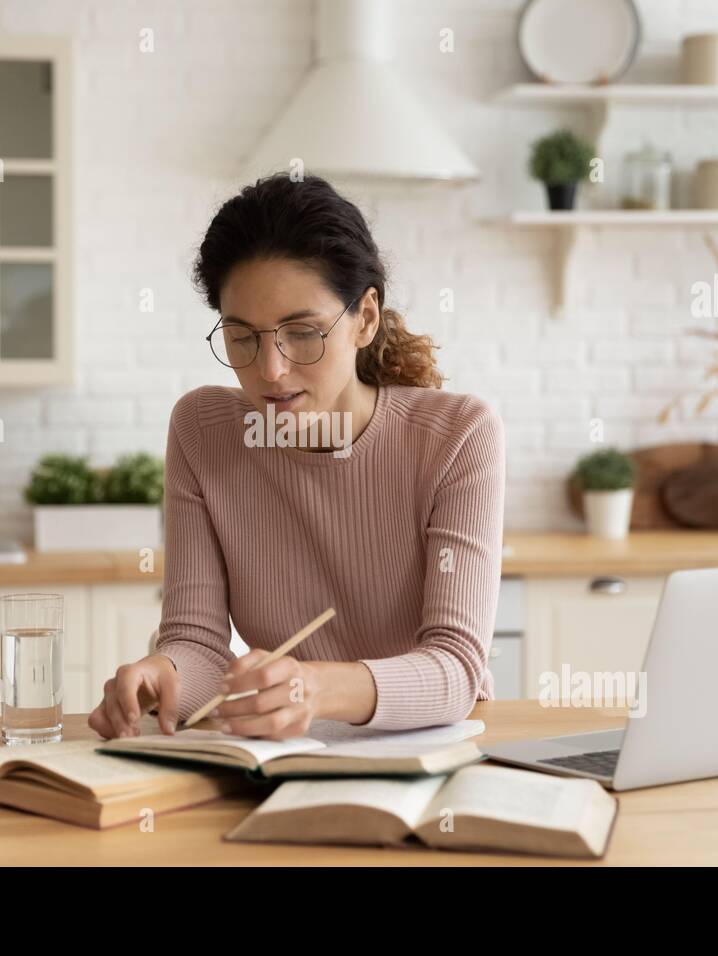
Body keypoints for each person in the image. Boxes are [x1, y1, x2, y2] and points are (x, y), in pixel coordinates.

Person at [88, 172, 505, 741]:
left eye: (302, 332)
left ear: (366, 318)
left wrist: (312, 688)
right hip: (280, 759)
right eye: (242, 337)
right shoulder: (204, 431)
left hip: (421, 755)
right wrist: (164, 676)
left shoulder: (455, 436)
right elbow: (198, 646)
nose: (271, 371)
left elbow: (456, 668)